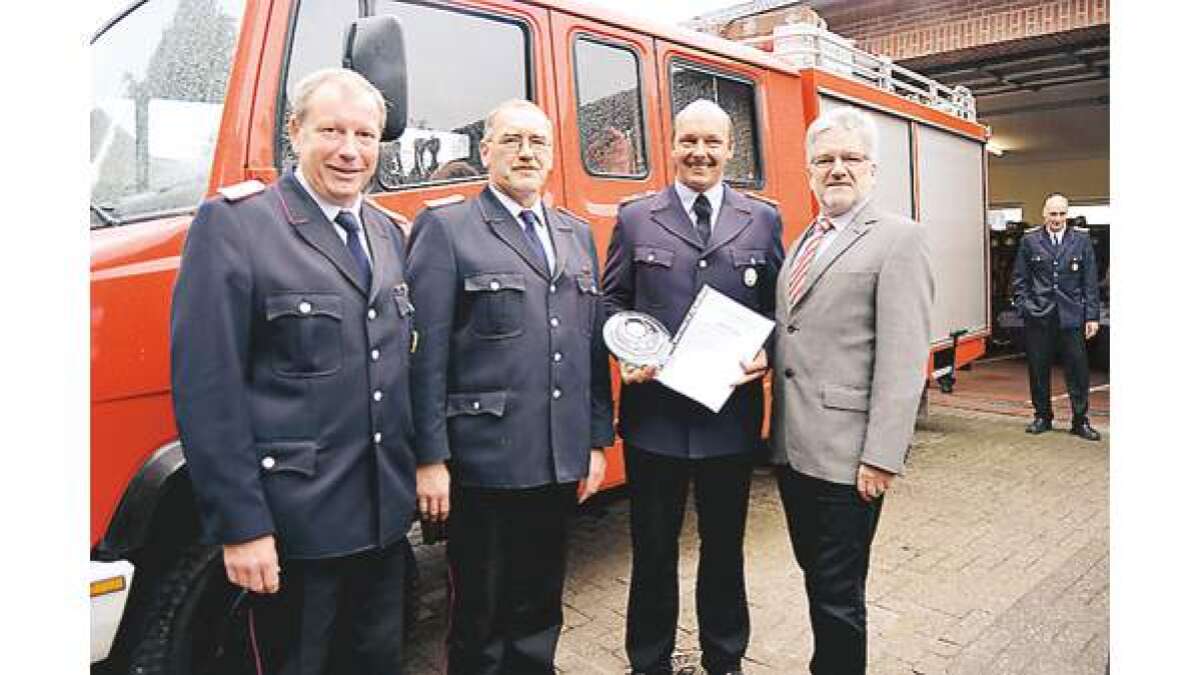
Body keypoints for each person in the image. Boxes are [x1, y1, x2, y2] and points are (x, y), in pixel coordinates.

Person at [169, 68, 416, 675]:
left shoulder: (388, 232)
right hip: (295, 528)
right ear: (294, 133)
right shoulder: (236, 226)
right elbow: (208, 392)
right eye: (331, 130)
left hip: (382, 520)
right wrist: (243, 527)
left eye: (365, 134)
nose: (350, 151)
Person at [406, 98, 615, 675]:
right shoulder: (448, 229)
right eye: (512, 140)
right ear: (486, 150)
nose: (526, 152)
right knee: (480, 614)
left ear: (551, 154)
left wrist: (597, 440)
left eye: (538, 142)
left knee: (540, 606)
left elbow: (589, 346)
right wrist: (430, 459)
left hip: (556, 455)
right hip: (483, 461)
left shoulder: (574, 234)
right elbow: (425, 357)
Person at [602, 99, 784, 675]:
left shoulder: (762, 219)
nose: (700, 153)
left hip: (728, 418)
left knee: (725, 550)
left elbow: (781, 309)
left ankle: (724, 658)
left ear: (731, 149)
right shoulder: (635, 217)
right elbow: (612, 300)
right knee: (652, 550)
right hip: (654, 419)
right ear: (671, 144)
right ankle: (648, 661)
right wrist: (623, 350)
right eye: (689, 141)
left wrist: (768, 353)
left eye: (712, 142)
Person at [770, 107, 933, 675]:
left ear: (872, 170)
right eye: (824, 160)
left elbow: (903, 357)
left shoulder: (899, 239)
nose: (837, 169)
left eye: (850, 158)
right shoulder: (803, 241)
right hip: (794, 450)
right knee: (818, 578)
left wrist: (882, 456)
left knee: (839, 595)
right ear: (809, 171)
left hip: (849, 459)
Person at [1010, 193, 1102, 440]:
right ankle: (1042, 417)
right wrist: (1025, 307)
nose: (1058, 219)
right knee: (1038, 368)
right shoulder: (1030, 241)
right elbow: (1020, 279)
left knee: (1078, 370)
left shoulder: (1081, 240)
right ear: (1044, 214)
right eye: (1053, 214)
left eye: (1062, 214)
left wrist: (1091, 316)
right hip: (1039, 316)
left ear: (1067, 215)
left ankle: (1080, 421)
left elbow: (1090, 281)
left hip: (1072, 316)